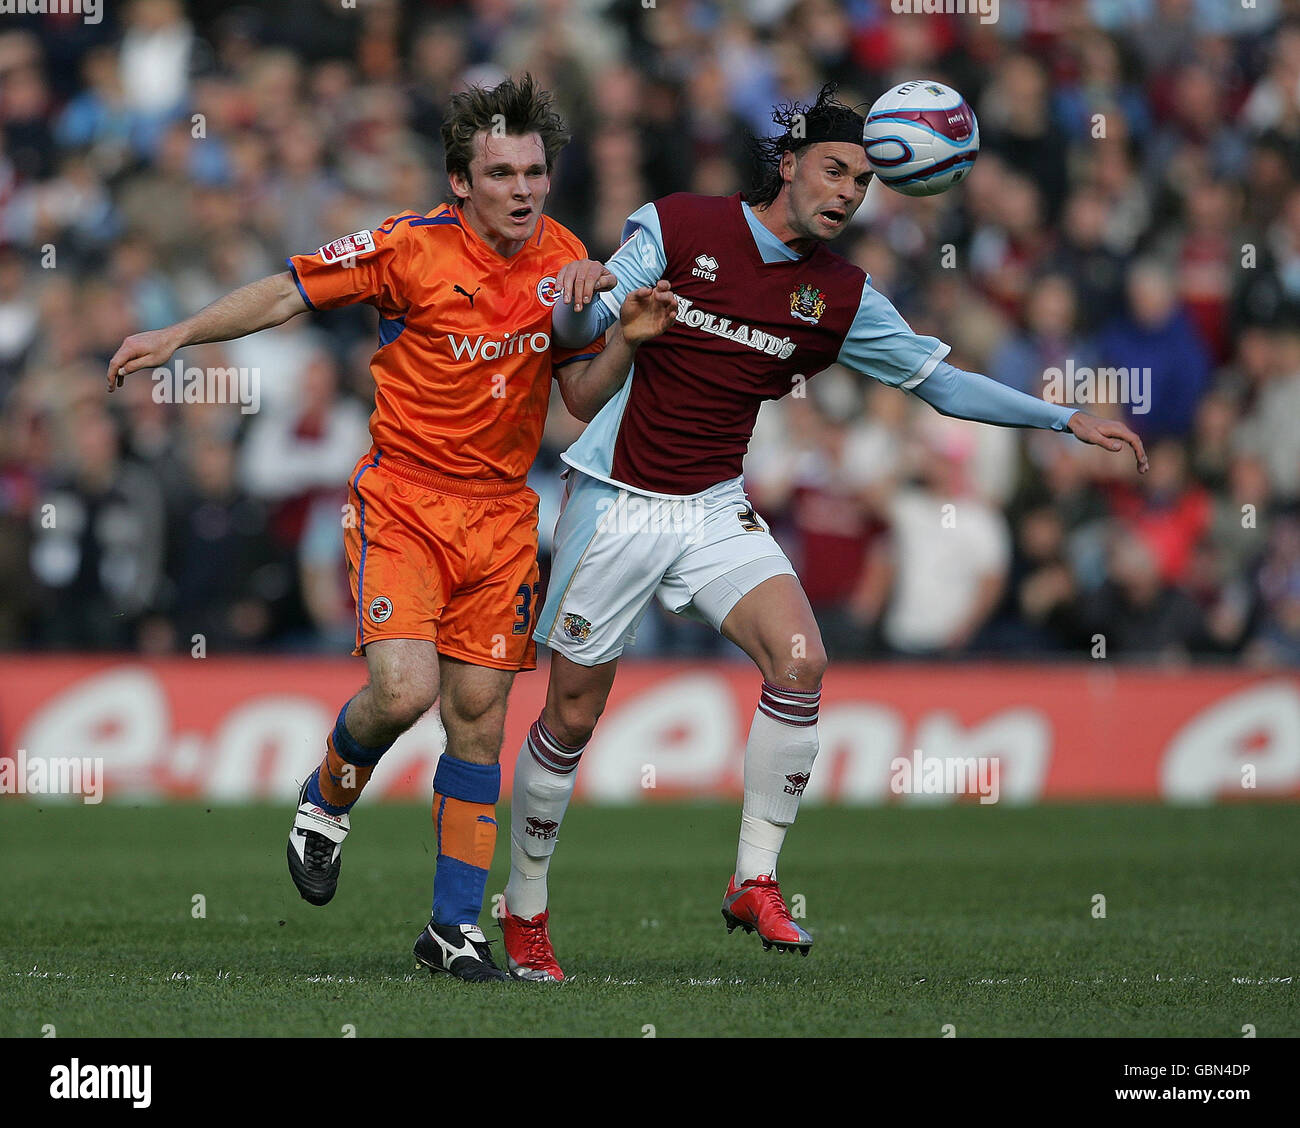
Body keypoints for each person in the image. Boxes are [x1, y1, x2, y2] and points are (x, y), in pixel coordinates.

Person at [500, 84, 1147, 982]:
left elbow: (942, 381)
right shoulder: (681, 225)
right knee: (570, 715)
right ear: (792, 163)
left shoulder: (840, 295)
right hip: (616, 499)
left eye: (866, 182)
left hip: (713, 506)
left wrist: (1059, 420)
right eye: (836, 171)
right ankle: (524, 912)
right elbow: (585, 336)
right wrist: (580, 298)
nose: (848, 193)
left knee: (801, 661)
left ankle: (754, 879)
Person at [105, 74, 677, 983]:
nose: (525, 190)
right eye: (503, 173)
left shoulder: (565, 257)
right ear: (461, 181)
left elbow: (575, 396)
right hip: (405, 501)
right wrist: (181, 335)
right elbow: (288, 293)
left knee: (479, 722)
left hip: (500, 519)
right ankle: (330, 792)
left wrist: (625, 343)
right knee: (405, 691)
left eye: (535, 171)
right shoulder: (407, 249)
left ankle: (452, 929)